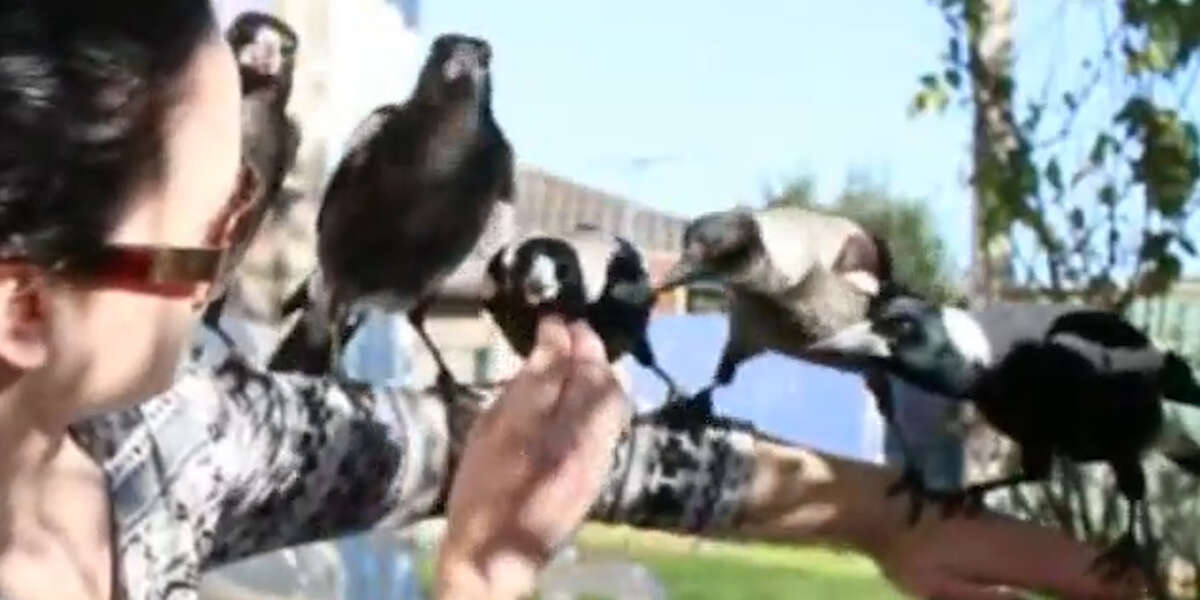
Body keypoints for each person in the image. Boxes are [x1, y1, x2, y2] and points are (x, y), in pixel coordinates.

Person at [0, 2, 1144, 599]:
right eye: (213, 222)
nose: (244, 227)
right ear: (26, 309)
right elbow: (498, 513)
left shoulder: (166, 446)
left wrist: (881, 516)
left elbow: (518, 451)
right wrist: (487, 578)